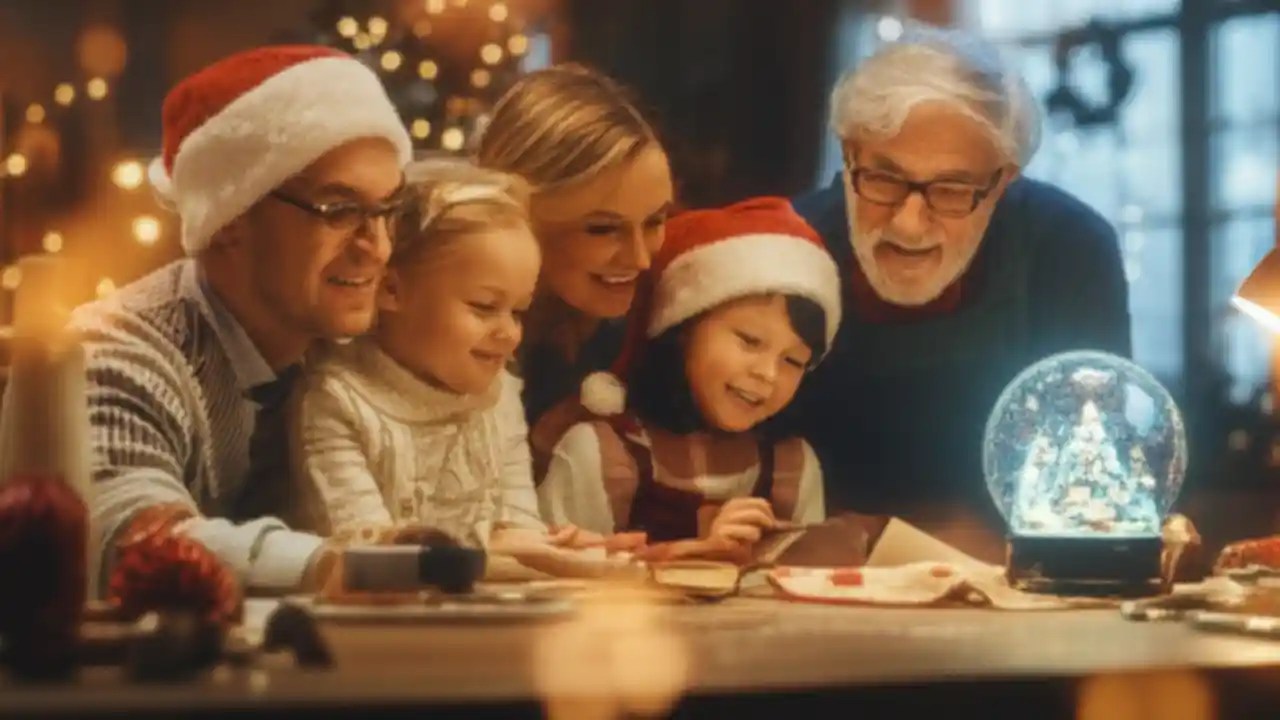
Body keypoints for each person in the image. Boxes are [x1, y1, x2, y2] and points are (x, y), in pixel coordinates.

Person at [66, 45, 412, 594]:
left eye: (388, 209)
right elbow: (134, 539)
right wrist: (329, 566)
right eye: (339, 209)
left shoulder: (361, 337)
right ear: (229, 218)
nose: (378, 246)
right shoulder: (118, 351)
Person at [789, 26, 1131, 546]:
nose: (908, 223)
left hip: (1011, 580)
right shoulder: (784, 246)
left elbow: (1091, 479)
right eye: (883, 178)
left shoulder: (1068, 248)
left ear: (1004, 181)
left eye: (951, 189)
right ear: (847, 153)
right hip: (807, 575)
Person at [538, 198, 836, 562]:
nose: (767, 373)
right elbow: (554, 580)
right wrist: (697, 553)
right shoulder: (602, 455)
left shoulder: (793, 468)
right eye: (749, 340)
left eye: (793, 360)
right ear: (682, 328)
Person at [290, 160, 547, 549]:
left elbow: (522, 529)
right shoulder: (337, 403)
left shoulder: (501, 396)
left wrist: (566, 552)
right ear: (392, 290)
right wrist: (527, 555)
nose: (509, 332)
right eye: (483, 306)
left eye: (519, 311)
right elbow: (371, 557)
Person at [475, 63, 675, 481]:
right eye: (603, 229)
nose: (640, 258)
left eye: (656, 221)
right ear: (521, 214)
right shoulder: (446, 335)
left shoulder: (649, 323)